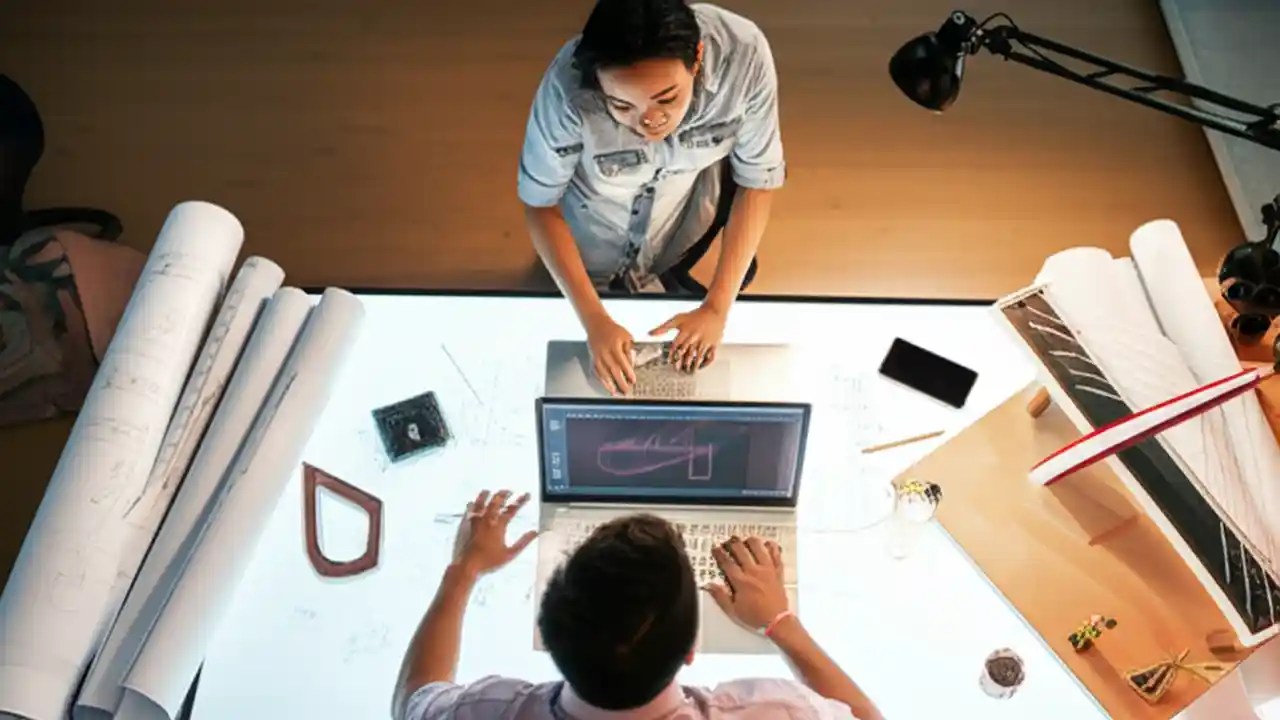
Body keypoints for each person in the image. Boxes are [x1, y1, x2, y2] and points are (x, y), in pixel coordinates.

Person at [393, 489, 883, 720]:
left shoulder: (488, 712)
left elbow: (413, 701)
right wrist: (779, 622)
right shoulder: (777, 712)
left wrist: (464, 571)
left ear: (549, 635)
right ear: (691, 647)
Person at [518, 0, 786, 394]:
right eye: (621, 105)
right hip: (589, 236)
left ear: (697, 57)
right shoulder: (566, 88)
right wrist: (594, 319)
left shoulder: (742, 55)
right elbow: (540, 203)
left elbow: (758, 179)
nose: (649, 121)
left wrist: (716, 308)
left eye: (667, 98)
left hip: (677, 230)